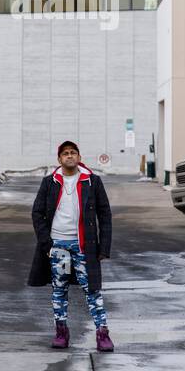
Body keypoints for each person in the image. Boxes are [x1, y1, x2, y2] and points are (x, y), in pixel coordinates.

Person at [27, 140, 114, 351]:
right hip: (58, 248)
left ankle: (102, 335)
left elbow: (105, 214)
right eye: (65, 153)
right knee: (59, 289)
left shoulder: (92, 181)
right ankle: (61, 333)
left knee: (92, 290)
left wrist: (104, 248)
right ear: (59, 159)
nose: (69, 156)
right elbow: (37, 213)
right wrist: (46, 242)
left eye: (73, 153)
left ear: (79, 157)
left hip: (84, 246)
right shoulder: (50, 182)